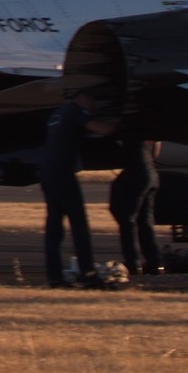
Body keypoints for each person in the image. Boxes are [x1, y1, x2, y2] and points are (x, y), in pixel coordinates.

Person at [40, 89, 116, 287]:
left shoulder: (58, 113)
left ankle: (54, 277)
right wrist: (124, 127)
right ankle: (89, 274)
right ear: (82, 97)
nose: (94, 105)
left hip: (48, 173)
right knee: (79, 224)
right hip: (63, 173)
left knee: (54, 226)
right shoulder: (75, 111)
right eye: (93, 99)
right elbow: (101, 129)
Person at [110, 138, 161, 276]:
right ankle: (154, 262)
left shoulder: (130, 128)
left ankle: (133, 262)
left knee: (127, 217)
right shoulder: (151, 129)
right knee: (145, 221)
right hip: (151, 174)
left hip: (137, 173)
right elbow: (156, 151)